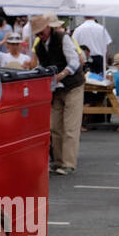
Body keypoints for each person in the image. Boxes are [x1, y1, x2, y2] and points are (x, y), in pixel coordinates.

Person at [32, 13, 84, 175]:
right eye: (37, 34)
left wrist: (61, 74)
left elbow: (75, 61)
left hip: (72, 85)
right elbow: (42, 65)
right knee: (54, 127)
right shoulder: (40, 46)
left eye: (42, 32)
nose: (40, 36)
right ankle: (58, 161)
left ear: (49, 27)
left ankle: (68, 163)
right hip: (56, 89)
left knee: (70, 127)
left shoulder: (63, 38)